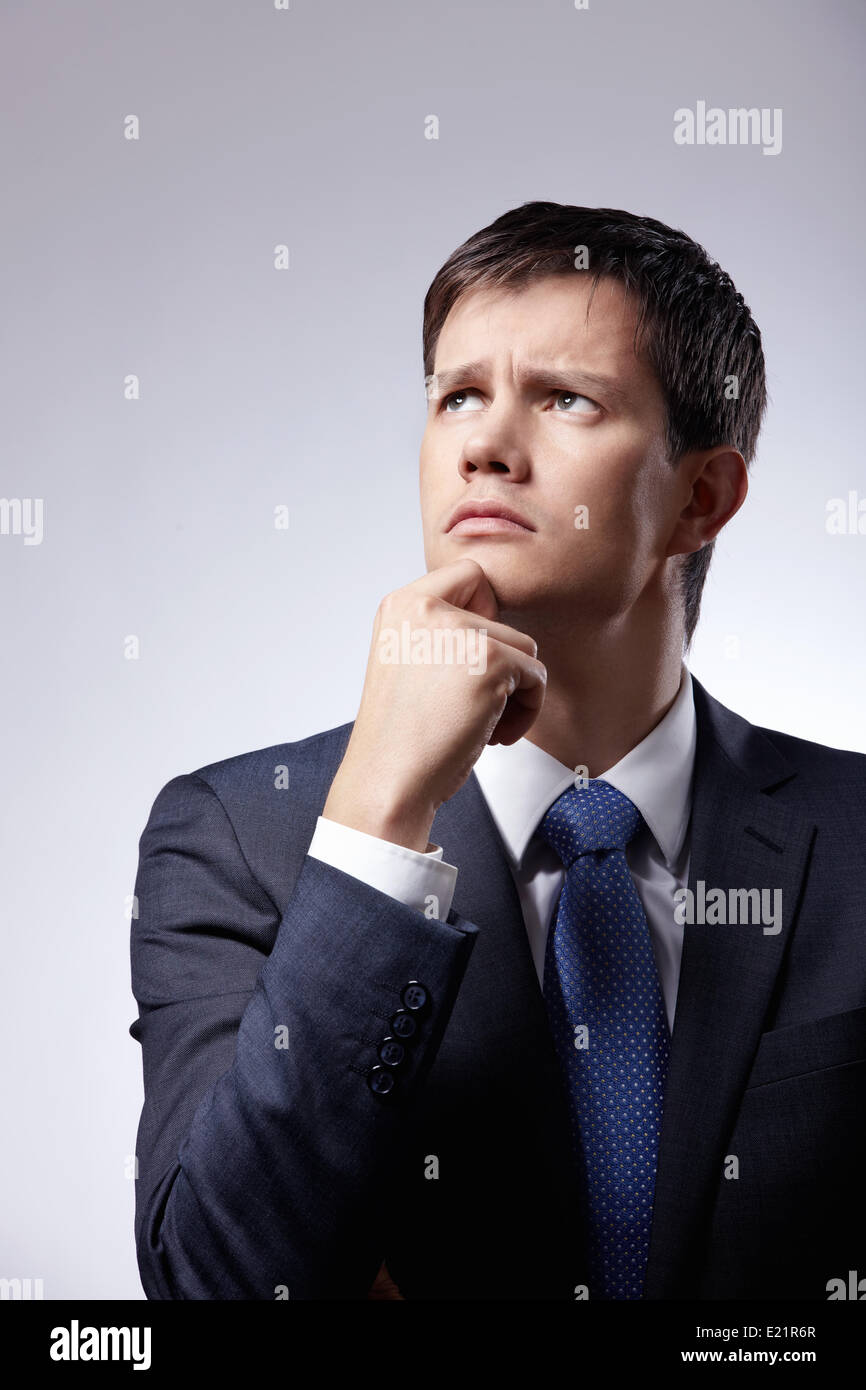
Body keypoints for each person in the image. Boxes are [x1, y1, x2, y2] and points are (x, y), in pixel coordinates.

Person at [129, 201, 866, 1301]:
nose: (481, 442)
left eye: (564, 398)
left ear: (699, 496)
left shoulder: (848, 836)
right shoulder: (236, 837)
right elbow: (222, 1287)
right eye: (456, 394)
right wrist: (378, 818)